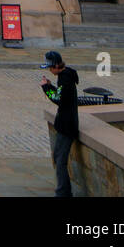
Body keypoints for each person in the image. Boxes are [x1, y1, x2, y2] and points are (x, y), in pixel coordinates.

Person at [40, 50, 79, 198]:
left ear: (57, 65)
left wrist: (45, 87)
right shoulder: (65, 76)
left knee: (60, 160)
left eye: (50, 68)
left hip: (66, 126)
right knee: (58, 157)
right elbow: (62, 96)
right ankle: (63, 191)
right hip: (65, 124)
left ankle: (63, 192)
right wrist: (50, 86)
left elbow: (58, 99)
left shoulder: (65, 79)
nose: (50, 70)